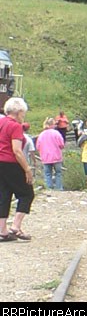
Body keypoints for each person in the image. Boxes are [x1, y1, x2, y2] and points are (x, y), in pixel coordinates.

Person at [0, 97, 34, 241]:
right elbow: (17, 150)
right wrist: (27, 169)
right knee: (27, 193)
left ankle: (2, 230)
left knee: (4, 195)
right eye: (23, 113)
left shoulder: (1, 122)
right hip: (11, 163)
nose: (23, 116)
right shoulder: (15, 126)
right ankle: (16, 227)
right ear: (19, 112)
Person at [36, 117, 65, 190]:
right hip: (56, 156)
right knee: (58, 173)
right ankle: (59, 188)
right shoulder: (56, 133)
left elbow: (38, 146)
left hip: (45, 157)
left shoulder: (41, 135)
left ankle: (49, 188)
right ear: (52, 125)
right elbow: (61, 144)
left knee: (48, 174)